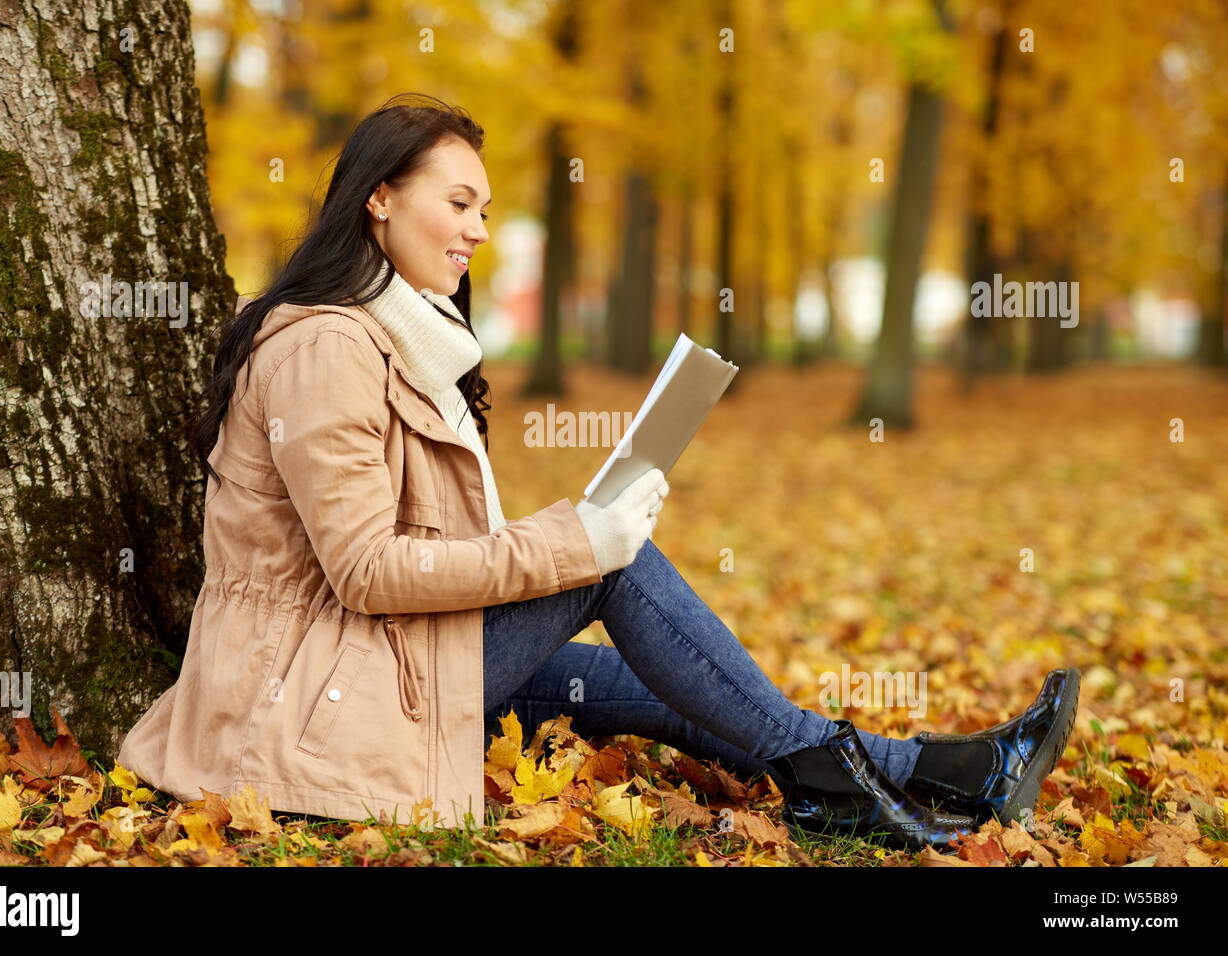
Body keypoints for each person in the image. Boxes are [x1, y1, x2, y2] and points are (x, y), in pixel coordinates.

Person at [117, 93, 1080, 854]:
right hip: (324, 695)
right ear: (378, 197)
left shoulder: (401, 340)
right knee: (610, 566)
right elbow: (366, 570)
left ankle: (953, 770)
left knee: (661, 685)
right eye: (458, 203)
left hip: (380, 667)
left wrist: (575, 527)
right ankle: (852, 788)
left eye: (485, 210)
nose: (478, 230)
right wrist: (579, 540)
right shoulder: (328, 348)